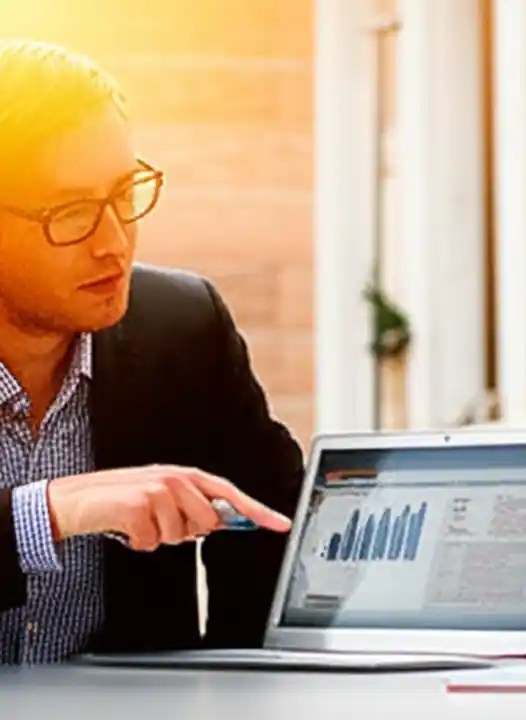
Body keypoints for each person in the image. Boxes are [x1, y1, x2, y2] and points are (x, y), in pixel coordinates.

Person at [0, 40, 301, 664]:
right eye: (73, 213)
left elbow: (274, 527)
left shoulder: (181, 326)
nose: (114, 243)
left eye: (124, 194)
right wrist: (52, 511)